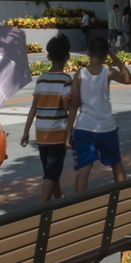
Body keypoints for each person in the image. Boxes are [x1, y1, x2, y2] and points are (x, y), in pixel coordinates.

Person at [72, 34, 131, 191]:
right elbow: (129, 79)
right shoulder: (109, 72)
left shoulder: (78, 75)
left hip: (84, 127)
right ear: (106, 54)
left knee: (84, 167)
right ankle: (122, 197)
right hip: (106, 127)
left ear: (88, 52)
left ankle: (79, 206)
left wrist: (68, 132)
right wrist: (115, 58)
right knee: (116, 163)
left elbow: (73, 106)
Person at [21, 33, 78, 200]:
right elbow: (67, 106)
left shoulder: (41, 79)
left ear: (48, 56)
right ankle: (43, 206)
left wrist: (26, 131)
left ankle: (58, 195)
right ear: (68, 56)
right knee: (52, 172)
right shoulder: (65, 80)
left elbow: (33, 107)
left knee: (50, 168)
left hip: (41, 133)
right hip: (57, 134)